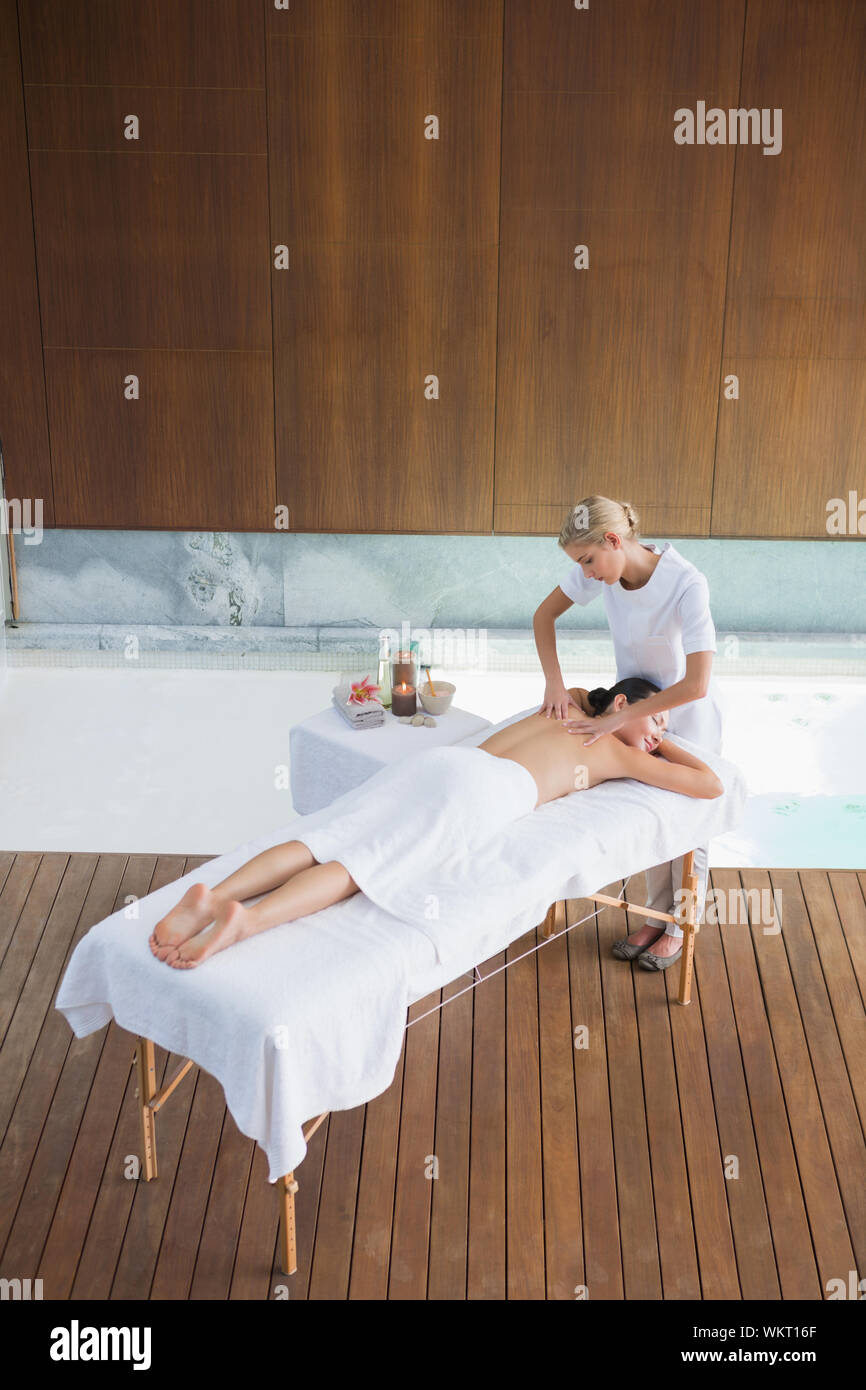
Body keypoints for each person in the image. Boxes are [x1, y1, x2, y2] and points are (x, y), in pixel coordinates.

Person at [148, 677, 722, 969]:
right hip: (482, 792)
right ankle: (246, 922)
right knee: (356, 867)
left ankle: (214, 895)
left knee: (326, 839)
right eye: (656, 720)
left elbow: (584, 689)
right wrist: (655, 745)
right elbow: (709, 784)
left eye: (664, 731)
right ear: (622, 703)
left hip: (446, 765)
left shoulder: (568, 700)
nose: (658, 736)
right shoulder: (616, 751)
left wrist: (638, 720)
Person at [533, 495, 724, 970]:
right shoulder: (602, 567)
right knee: (650, 815)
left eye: (589, 561)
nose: (587, 573)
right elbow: (543, 617)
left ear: (614, 540)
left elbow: (697, 683)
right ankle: (655, 915)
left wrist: (618, 719)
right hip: (636, 715)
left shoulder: (686, 584)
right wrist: (554, 683)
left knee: (688, 828)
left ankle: (679, 925)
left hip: (687, 719)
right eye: (581, 564)